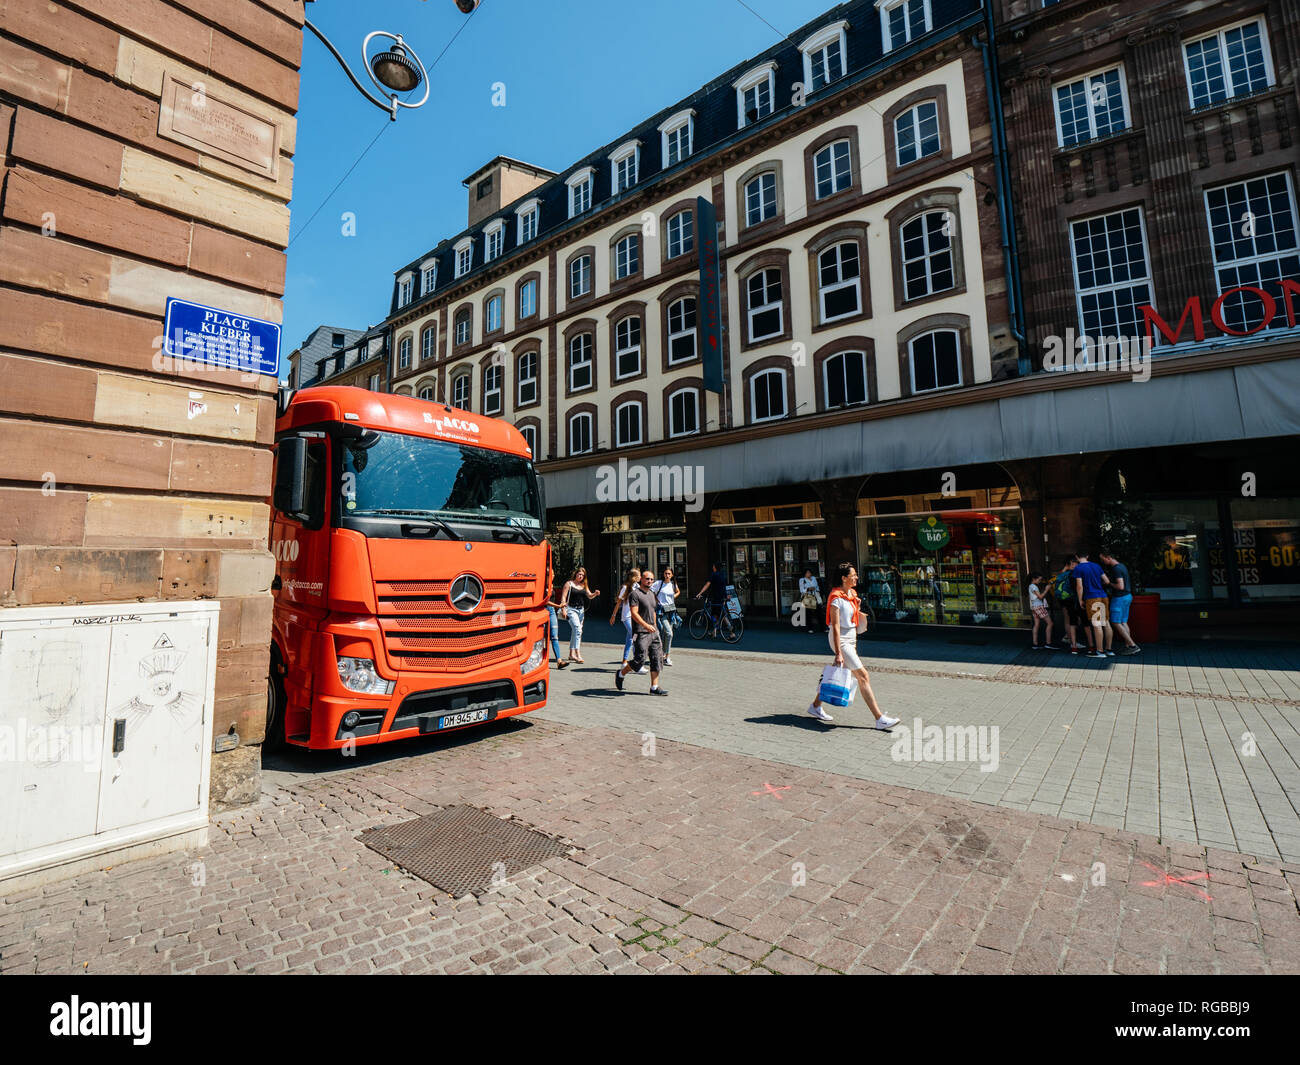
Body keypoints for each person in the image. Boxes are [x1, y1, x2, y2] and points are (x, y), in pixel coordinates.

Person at [807, 561, 899, 728]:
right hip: (841, 640)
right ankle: (879, 719)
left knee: (835, 675)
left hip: (851, 638)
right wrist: (838, 653)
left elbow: (851, 617)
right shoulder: (835, 598)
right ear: (844, 578)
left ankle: (815, 706)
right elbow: (834, 626)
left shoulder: (851, 594)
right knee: (863, 676)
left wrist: (856, 606)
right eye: (853, 575)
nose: (856, 577)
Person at [615, 569, 668, 696]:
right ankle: (621, 673)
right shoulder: (635, 594)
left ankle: (654, 687)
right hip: (641, 632)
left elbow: (653, 612)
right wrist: (646, 625)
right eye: (647, 578)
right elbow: (634, 613)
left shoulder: (652, 594)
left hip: (653, 632)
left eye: (651, 579)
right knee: (639, 659)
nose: (649, 581)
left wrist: (654, 626)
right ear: (641, 580)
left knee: (656, 658)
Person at [1099, 547, 1141, 654]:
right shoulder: (1122, 566)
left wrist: (1108, 583)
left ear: (1108, 557)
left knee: (1115, 622)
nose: (1102, 561)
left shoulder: (1116, 569)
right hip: (1127, 596)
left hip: (1119, 597)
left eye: (1103, 559)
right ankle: (1128, 646)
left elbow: (1120, 586)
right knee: (1123, 622)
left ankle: (1132, 645)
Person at [1073, 549, 1113, 658]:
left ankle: (1100, 651)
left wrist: (1080, 599)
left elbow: (1079, 586)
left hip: (1091, 597)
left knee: (1097, 624)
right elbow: (1107, 581)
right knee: (1106, 623)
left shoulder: (1078, 568)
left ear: (1077, 557)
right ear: (1087, 556)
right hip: (1103, 596)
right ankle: (1109, 649)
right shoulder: (1096, 566)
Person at [560, 566, 599, 664]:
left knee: (576, 631)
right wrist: (563, 609)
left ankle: (571, 654)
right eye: (579, 574)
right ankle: (578, 654)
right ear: (576, 574)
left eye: (582, 575)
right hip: (571, 610)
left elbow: (589, 596)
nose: (580, 576)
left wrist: (595, 593)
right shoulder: (569, 584)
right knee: (577, 629)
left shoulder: (584, 585)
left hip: (581, 611)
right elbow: (563, 598)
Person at [610, 567, 645, 671]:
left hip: (635, 617)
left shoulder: (638, 586)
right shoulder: (625, 587)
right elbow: (619, 602)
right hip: (627, 617)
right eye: (639, 575)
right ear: (634, 577)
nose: (640, 577)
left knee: (630, 640)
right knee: (636, 638)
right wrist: (613, 615)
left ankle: (624, 662)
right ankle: (637, 664)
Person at [1054, 556, 1089, 654]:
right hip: (1071, 599)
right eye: (1075, 563)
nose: (1077, 564)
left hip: (1062, 599)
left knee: (1068, 619)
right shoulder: (1072, 573)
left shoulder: (1062, 573)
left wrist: (1065, 567)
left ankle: (1068, 638)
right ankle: (1072, 641)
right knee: (1072, 620)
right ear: (1071, 563)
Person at [650, 567, 681, 666]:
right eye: (665, 573)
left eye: (669, 574)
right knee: (669, 633)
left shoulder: (673, 584)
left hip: (671, 611)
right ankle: (666, 656)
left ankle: (664, 655)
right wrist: (656, 600)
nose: (667, 575)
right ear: (663, 574)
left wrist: (673, 597)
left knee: (666, 634)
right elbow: (651, 591)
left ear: (672, 575)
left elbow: (678, 591)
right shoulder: (659, 583)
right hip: (662, 611)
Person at [695, 561, 729, 638]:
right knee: (717, 614)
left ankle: (731, 631)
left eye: (713, 566)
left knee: (716, 615)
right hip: (723, 596)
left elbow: (707, 584)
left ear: (715, 567)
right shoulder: (723, 574)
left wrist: (700, 593)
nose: (712, 568)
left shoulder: (714, 574)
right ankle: (714, 632)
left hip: (716, 597)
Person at [545, 560, 568, 669]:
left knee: (554, 636)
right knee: (543, 637)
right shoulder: (543, 585)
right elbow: (545, 601)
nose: (553, 576)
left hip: (552, 612)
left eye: (553, 574)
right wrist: (558, 606)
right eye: (550, 574)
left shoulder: (552, 585)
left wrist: (561, 604)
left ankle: (559, 661)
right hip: (544, 611)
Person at [1028, 572, 1056, 650]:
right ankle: (1048, 643)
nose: (1040, 581)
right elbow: (1040, 597)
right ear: (1034, 579)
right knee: (1050, 623)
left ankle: (1035, 644)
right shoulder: (1034, 587)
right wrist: (1046, 590)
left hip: (1034, 606)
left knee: (1036, 624)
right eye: (1039, 579)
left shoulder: (1031, 586)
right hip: (1039, 606)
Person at [797, 567, 824, 634]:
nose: (809, 574)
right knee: (809, 613)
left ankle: (823, 628)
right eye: (807, 573)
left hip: (815, 595)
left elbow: (817, 586)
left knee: (819, 612)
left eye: (809, 572)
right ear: (805, 574)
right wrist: (808, 589)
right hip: (808, 596)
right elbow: (801, 590)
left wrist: (816, 589)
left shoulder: (814, 578)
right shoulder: (802, 580)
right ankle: (810, 628)